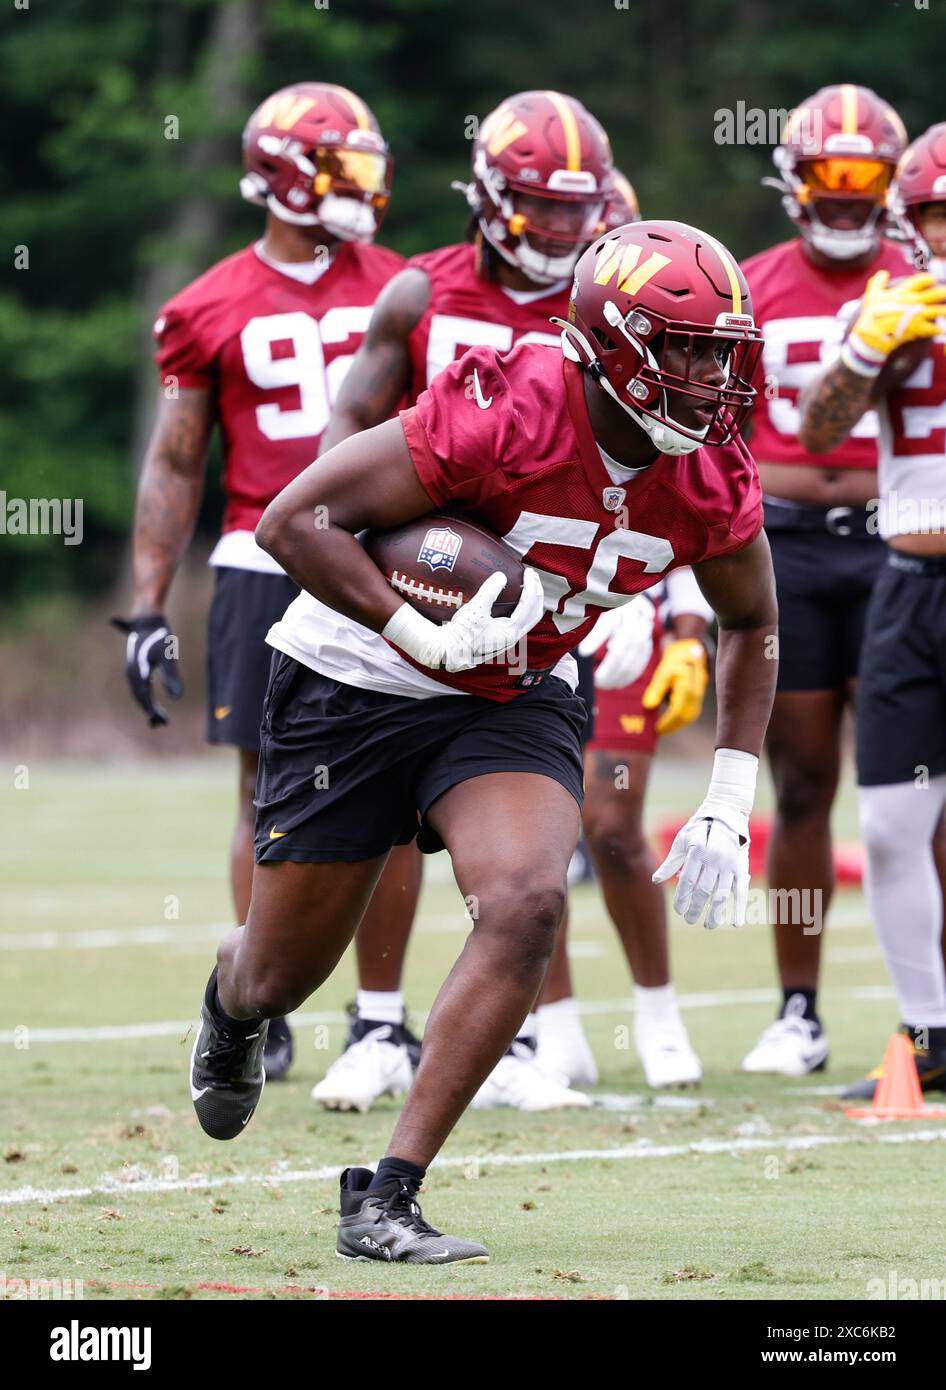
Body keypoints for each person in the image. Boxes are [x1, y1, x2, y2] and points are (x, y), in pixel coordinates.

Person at [188, 218, 778, 1263]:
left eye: (720, 353)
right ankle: (230, 1006)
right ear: (609, 342)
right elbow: (295, 521)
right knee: (279, 976)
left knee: (527, 900)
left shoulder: (708, 468)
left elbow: (753, 619)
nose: (709, 380)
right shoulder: (510, 402)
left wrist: (729, 798)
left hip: (511, 690)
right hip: (357, 675)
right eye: (684, 351)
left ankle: (387, 1196)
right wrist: (418, 629)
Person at [310, 91, 617, 1114]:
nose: (563, 230)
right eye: (543, 206)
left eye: (579, 209)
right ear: (488, 198)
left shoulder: (608, 306)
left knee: (528, 831)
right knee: (389, 814)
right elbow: (344, 438)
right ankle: (377, 1024)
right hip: (423, 583)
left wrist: (653, 605)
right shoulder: (420, 293)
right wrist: (370, 569)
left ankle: (516, 1040)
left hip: (552, 598)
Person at [115, 84, 404, 1079]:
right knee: (263, 790)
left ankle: (381, 1017)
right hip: (260, 557)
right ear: (283, 176)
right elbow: (175, 461)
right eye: (341, 166)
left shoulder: (408, 285)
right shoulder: (205, 304)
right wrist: (146, 606)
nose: (361, 185)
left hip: (381, 550)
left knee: (396, 784)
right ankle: (262, 1004)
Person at [738, 84, 909, 1077]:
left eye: (863, 179)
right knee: (801, 783)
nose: (844, 196)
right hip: (787, 546)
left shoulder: (921, 281)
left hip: (904, 545)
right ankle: (797, 1010)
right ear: (794, 181)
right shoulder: (749, 283)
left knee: (916, 786)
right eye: (826, 176)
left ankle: (929, 1011)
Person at [798, 122, 946, 1097]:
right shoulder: (888, 307)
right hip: (908, 584)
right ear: (910, 223)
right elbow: (817, 431)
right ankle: (930, 1034)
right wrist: (861, 350)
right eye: (939, 216)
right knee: (891, 825)